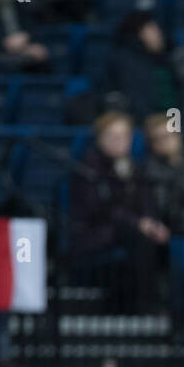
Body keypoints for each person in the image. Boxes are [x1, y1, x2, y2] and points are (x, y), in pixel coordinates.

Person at [68, 111, 169, 311]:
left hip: (128, 232)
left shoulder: (133, 167)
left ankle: (166, 306)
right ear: (100, 139)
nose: (119, 142)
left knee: (161, 237)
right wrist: (137, 223)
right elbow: (97, 209)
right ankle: (143, 306)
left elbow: (146, 202)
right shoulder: (88, 167)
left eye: (124, 136)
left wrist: (152, 223)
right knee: (138, 237)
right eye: (113, 136)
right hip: (97, 233)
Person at [106, 9, 180, 122]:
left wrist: (175, 129)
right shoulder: (125, 61)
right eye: (153, 29)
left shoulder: (168, 60)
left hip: (170, 126)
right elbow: (138, 104)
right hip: (143, 129)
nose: (159, 34)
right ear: (139, 33)